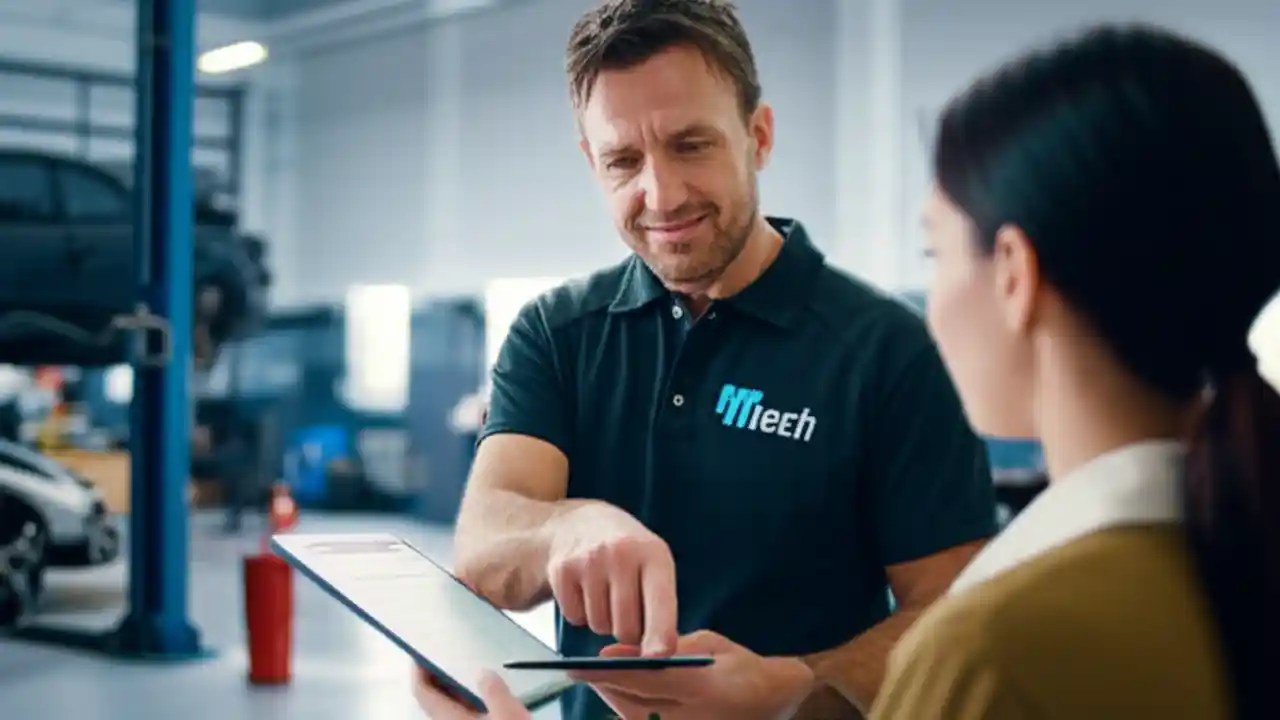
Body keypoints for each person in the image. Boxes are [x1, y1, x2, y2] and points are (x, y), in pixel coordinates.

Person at [417, 1, 997, 718]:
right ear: (590, 162)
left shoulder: (887, 350)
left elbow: (959, 617)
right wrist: (570, 525)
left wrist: (792, 687)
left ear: (758, 135)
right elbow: (485, 551)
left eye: (691, 145)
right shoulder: (557, 334)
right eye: (624, 161)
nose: (661, 195)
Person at [866, 24, 1280, 719]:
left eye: (934, 254)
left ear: (1013, 274)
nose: (930, 307)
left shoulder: (994, 652)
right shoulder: (1238, 568)